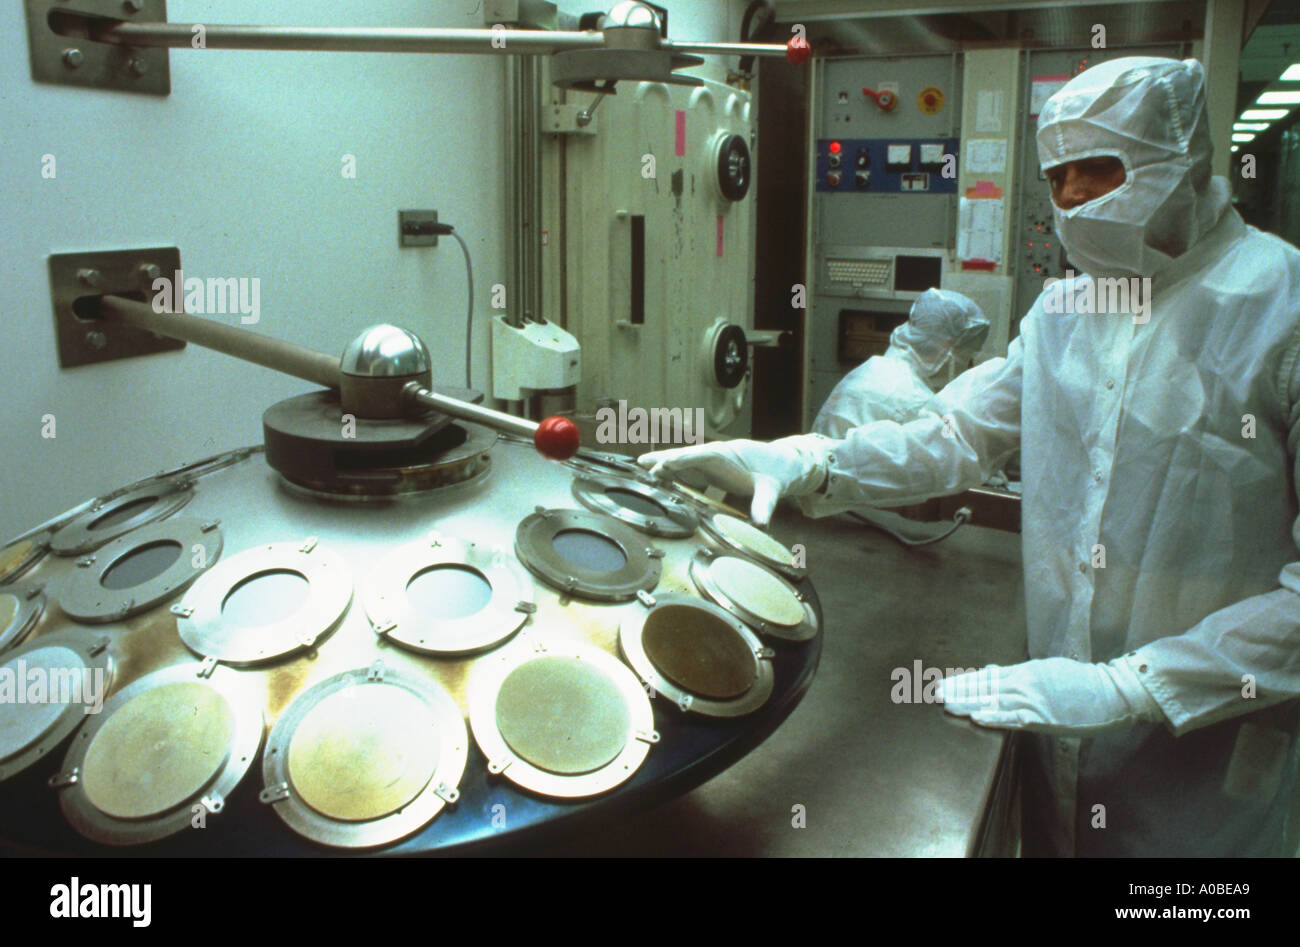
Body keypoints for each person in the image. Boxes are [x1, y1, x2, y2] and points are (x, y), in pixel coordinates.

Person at [638, 56, 1300, 857]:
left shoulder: (1279, 309)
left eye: (1101, 170)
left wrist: (1131, 685)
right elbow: (954, 436)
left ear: (1185, 159)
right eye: (1059, 177)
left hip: (1206, 778)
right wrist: (813, 463)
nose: (1075, 199)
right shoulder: (1064, 311)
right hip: (1050, 735)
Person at [812, 288, 990, 437]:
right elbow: (948, 449)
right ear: (947, 346)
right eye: (967, 356)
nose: (968, 365)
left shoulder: (876, 368)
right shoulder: (912, 399)